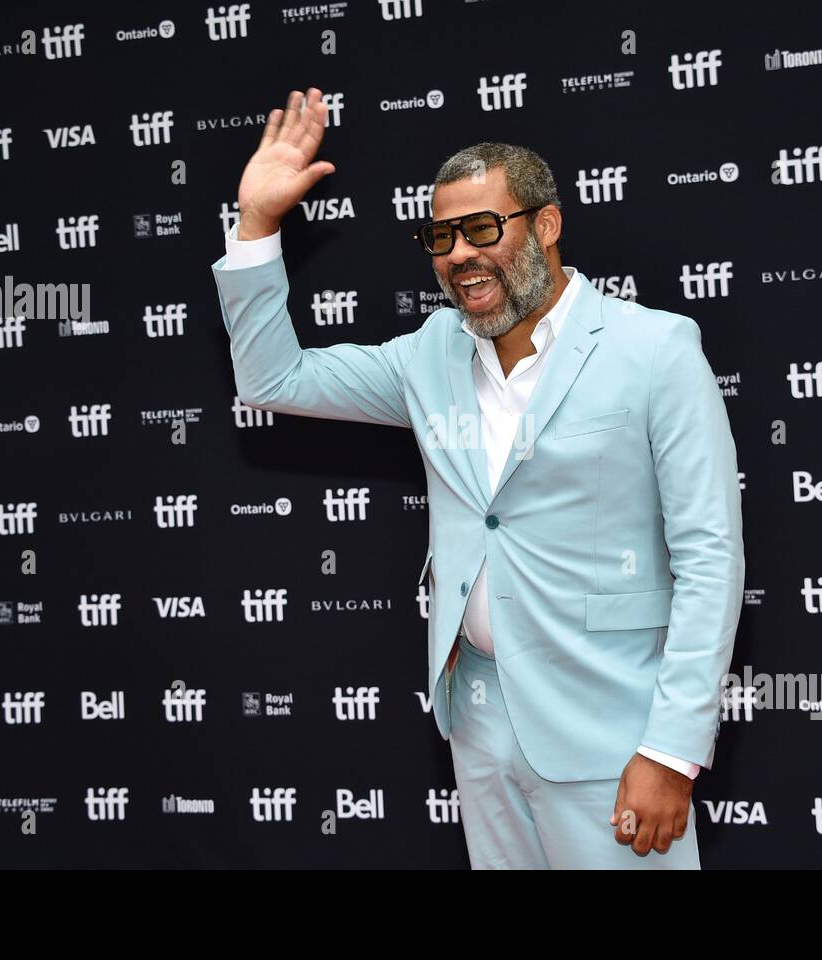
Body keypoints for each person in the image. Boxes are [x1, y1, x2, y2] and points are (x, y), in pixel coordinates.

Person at [212, 87, 745, 869]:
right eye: (442, 237)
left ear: (548, 225)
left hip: (612, 728)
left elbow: (710, 558)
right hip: (480, 719)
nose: (460, 255)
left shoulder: (655, 350)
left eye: (482, 229)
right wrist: (257, 224)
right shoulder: (428, 356)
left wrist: (671, 749)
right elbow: (272, 380)